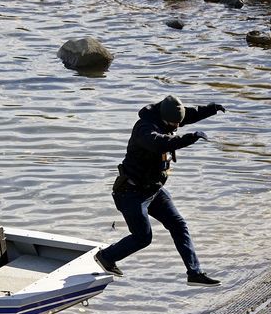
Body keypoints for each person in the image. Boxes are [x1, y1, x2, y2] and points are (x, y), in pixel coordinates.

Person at [94, 95, 226, 287]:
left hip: (153, 190)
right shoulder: (144, 129)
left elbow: (188, 114)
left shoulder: (168, 117)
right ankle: (106, 257)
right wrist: (190, 138)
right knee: (143, 238)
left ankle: (194, 273)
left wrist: (211, 109)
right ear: (164, 118)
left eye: (178, 123)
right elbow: (161, 143)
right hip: (130, 193)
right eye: (174, 124)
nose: (177, 127)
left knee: (178, 225)